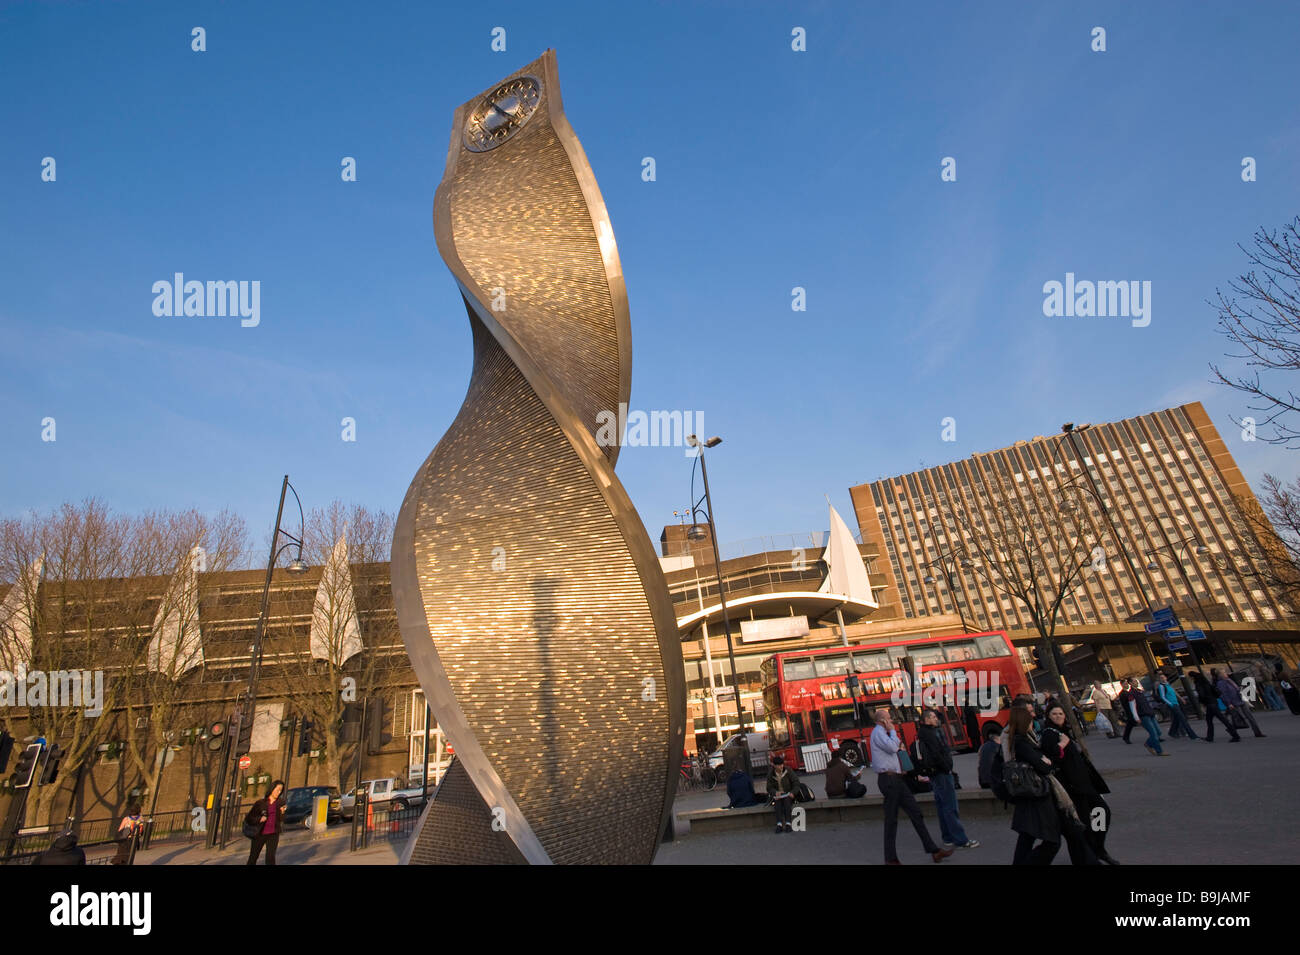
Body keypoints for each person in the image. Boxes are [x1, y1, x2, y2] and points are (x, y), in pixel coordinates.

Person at [1001, 707, 1099, 866]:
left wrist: (1045, 759)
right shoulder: (1023, 741)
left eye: (1061, 713)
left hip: (1043, 793)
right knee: (1052, 841)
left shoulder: (1028, 739)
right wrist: (1051, 755)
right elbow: (1044, 766)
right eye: (1031, 718)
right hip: (1037, 795)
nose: (1033, 721)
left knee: (1055, 836)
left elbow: (1045, 762)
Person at [869, 709, 952, 865]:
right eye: (889, 719)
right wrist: (893, 732)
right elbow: (893, 748)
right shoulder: (878, 733)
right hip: (889, 780)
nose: (892, 721)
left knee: (915, 813)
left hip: (897, 779)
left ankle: (933, 850)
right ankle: (891, 858)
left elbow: (896, 747)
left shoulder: (883, 733)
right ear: (883, 721)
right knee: (891, 820)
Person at [1040, 703, 1119, 865]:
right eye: (1054, 714)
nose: (1058, 716)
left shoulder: (1065, 731)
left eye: (1061, 713)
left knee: (1101, 811)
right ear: (1048, 716)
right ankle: (1092, 853)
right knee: (1084, 821)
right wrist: (1062, 745)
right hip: (1072, 786)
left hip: (1084, 783)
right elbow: (1052, 758)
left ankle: (1098, 847)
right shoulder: (1049, 734)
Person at [915, 709, 979, 849]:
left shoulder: (924, 733)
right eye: (932, 717)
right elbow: (938, 752)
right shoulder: (931, 733)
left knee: (942, 805)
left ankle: (947, 837)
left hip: (934, 773)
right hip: (941, 772)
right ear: (926, 720)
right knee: (950, 806)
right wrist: (947, 767)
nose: (936, 719)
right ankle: (960, 840)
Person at [1213, 669, 1266, 738]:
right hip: (1233, 702)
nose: (1226, 673)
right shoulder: (1221, 683)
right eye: (1224, 672)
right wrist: (1229, 703)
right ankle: (1233, 731)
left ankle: (1257, 732)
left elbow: (1236, 689)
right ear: (1220, 675)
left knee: (1249, 716)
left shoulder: (1229, 680)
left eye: (1225, 672)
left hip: (1239, 699)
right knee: (1237, 718)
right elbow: (1223, 694)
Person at [1190, 670, 1241, 742]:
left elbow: (1202, 695)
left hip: (1209, 704)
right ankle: (1210, 737)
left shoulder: (1198, 684)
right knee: (1212, 720)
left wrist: (1202, 703)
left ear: (1193, 677)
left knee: (1219, 720)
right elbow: (1214, 692)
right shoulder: (1206, 682)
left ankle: (1235, 735)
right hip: (1213, 702)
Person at [246, 779, 287, 865]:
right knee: (253, 857)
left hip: (273, 834)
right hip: (260, 833)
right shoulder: (260, 803)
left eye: (281, 790)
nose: (279, 792)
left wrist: (282, 812)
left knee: (270, 858)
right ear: (272, 789)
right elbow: (249, 818)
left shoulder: (281, 803)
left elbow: (281, 820)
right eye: (277, 789)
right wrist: (259, 819)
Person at [1124, 679, 1167, 755]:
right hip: (1143, 715)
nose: (1136, 683)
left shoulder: (1140, 691)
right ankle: (1159, 751)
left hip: (1149, 713)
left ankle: (1148, 744)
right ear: (1130, 683)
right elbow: (1132, 706)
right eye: (1134, 682)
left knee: (1158, 732)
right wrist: (1136, 717)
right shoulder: (1131, 694)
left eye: (1136, 681)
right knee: (1153, 733)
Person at [1154, 673, 1198, 740]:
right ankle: (1192, 735)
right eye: (1161, 678)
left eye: (1163, 677)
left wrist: (1181, 698)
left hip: (1176, 703)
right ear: (1159, 680)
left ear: (1166, 677)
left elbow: (1174, 692)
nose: (1163, 678)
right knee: (1183, 719)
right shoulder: (1161, 686)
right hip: (1172, 704)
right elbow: (1163, 697)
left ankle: (1172, 732)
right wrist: (1170, 704)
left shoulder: (1168, 684)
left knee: (1176, 719)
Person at [766, 755, 798, 832]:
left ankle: (788, 824)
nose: (781, 767)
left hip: (788, 793)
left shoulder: (788, 771)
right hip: (778, 795)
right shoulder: (770, 774)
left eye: (782, 764)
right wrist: (775, 792)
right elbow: (769, 787)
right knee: (777, 803)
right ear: (774, 765)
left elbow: (796, 783)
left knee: (787, 802)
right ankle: (779, 824)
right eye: (779, 765)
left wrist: (793, 792)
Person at [977, 722, 1002, 790]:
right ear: (998, 738)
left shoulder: (982, 747)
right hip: (994, 782)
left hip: (983, 783)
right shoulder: (998, 747)